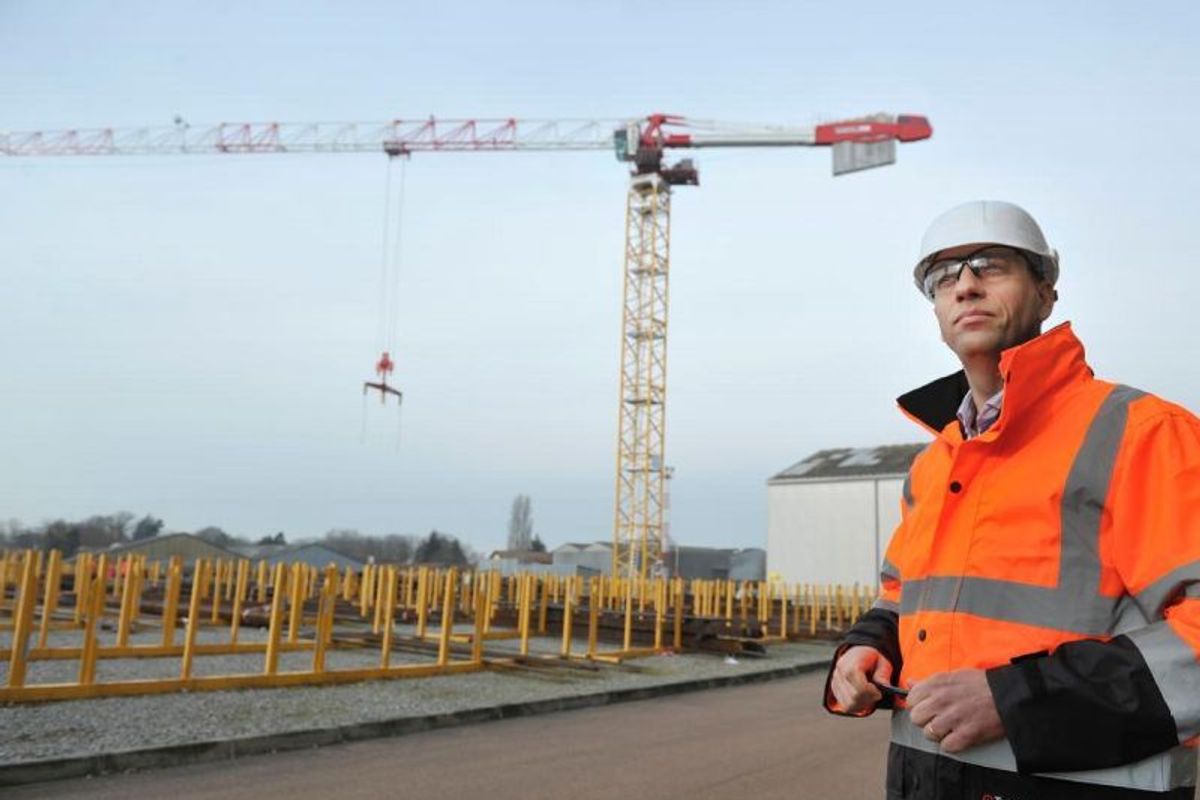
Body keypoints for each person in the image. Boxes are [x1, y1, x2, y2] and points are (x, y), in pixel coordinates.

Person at [823, 200, 1200, 799]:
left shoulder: (1142, 433)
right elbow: (902, 596)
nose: (965, 285)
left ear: (1046, 293)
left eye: (990, 265)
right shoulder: (935, 464)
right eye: (943, 276)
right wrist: (869, 644)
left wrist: (1016, 702)